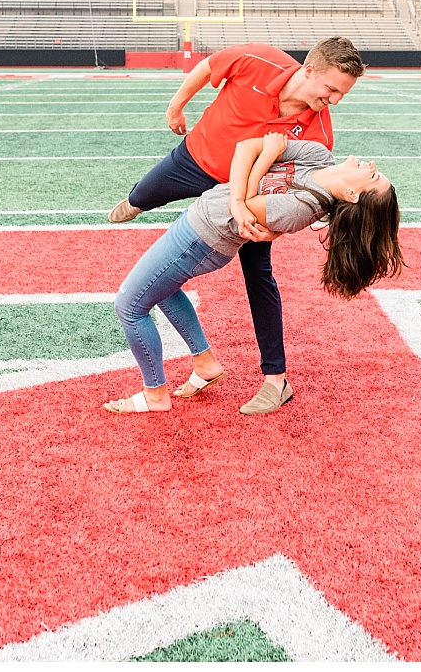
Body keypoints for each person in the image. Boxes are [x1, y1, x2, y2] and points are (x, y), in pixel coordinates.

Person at [107, 37, 365, 414]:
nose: (336, 100)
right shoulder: (258, 59)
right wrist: (177, 107)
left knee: (260, 276)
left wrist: (270, 227)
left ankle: (276, 378)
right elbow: (208, 68)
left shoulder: (319, 135)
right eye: (331, 89)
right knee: (141, 196)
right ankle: (136, 201)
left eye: (343, 94)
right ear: (308, 71)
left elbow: (296, 198)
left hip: (242, 196)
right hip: (197, 160)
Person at [104, 132, 402, 415]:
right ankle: (205, 363)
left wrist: (268, 156)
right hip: (199, 219)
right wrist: (251, 175)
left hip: (203, 240)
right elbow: (246, 147)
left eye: (373, 176)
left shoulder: (303, 208)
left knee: (130, 306)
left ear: (352, 194)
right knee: (162, 289)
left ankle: (155, 394)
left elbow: (246, 206)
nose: (372, 165)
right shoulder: (319, 156)